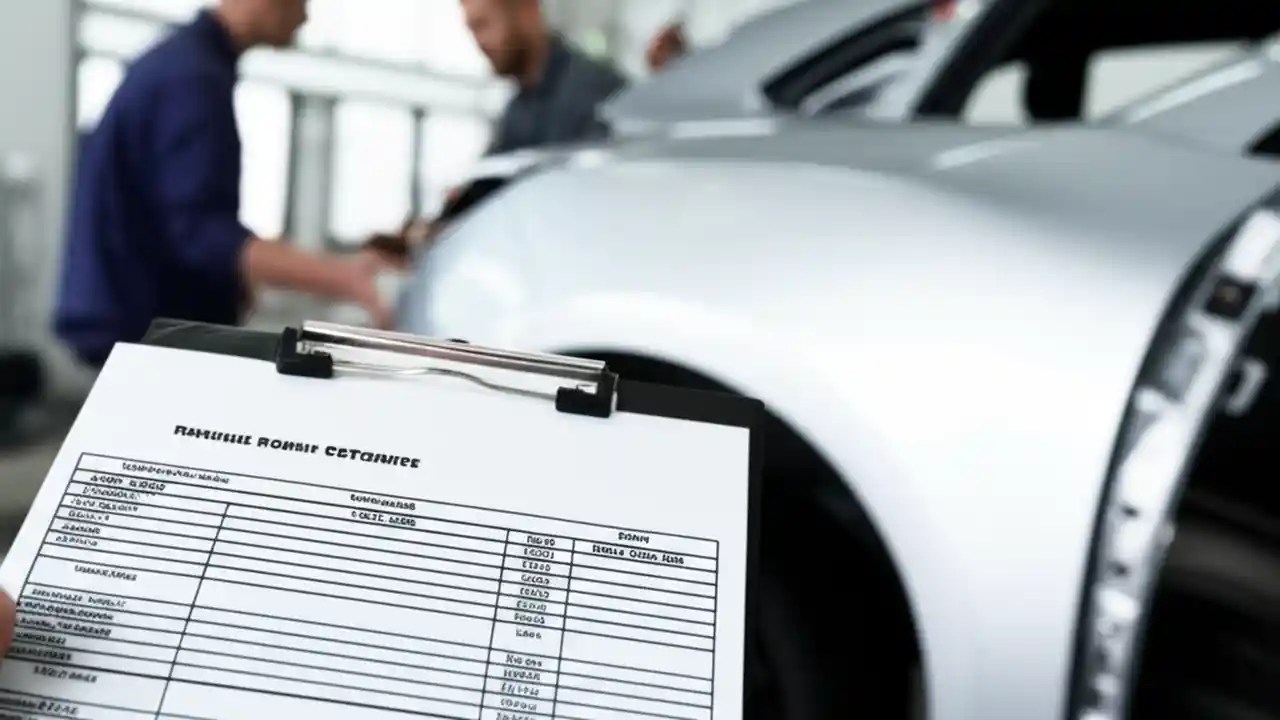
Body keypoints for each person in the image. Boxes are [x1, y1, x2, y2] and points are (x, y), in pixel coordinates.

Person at [56, 0, 395, 368]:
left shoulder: (182, 61)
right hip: (141, 323)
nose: (305, 17)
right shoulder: (191, 77)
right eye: (301, 2)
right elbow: (201, 232)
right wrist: (343, 276)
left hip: (127, 308)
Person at [463, 0, 626, 155]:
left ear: (528, 10)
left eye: (483, 25)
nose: (480, 41)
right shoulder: (518, 109)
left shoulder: (595, 93)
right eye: (472, 30)